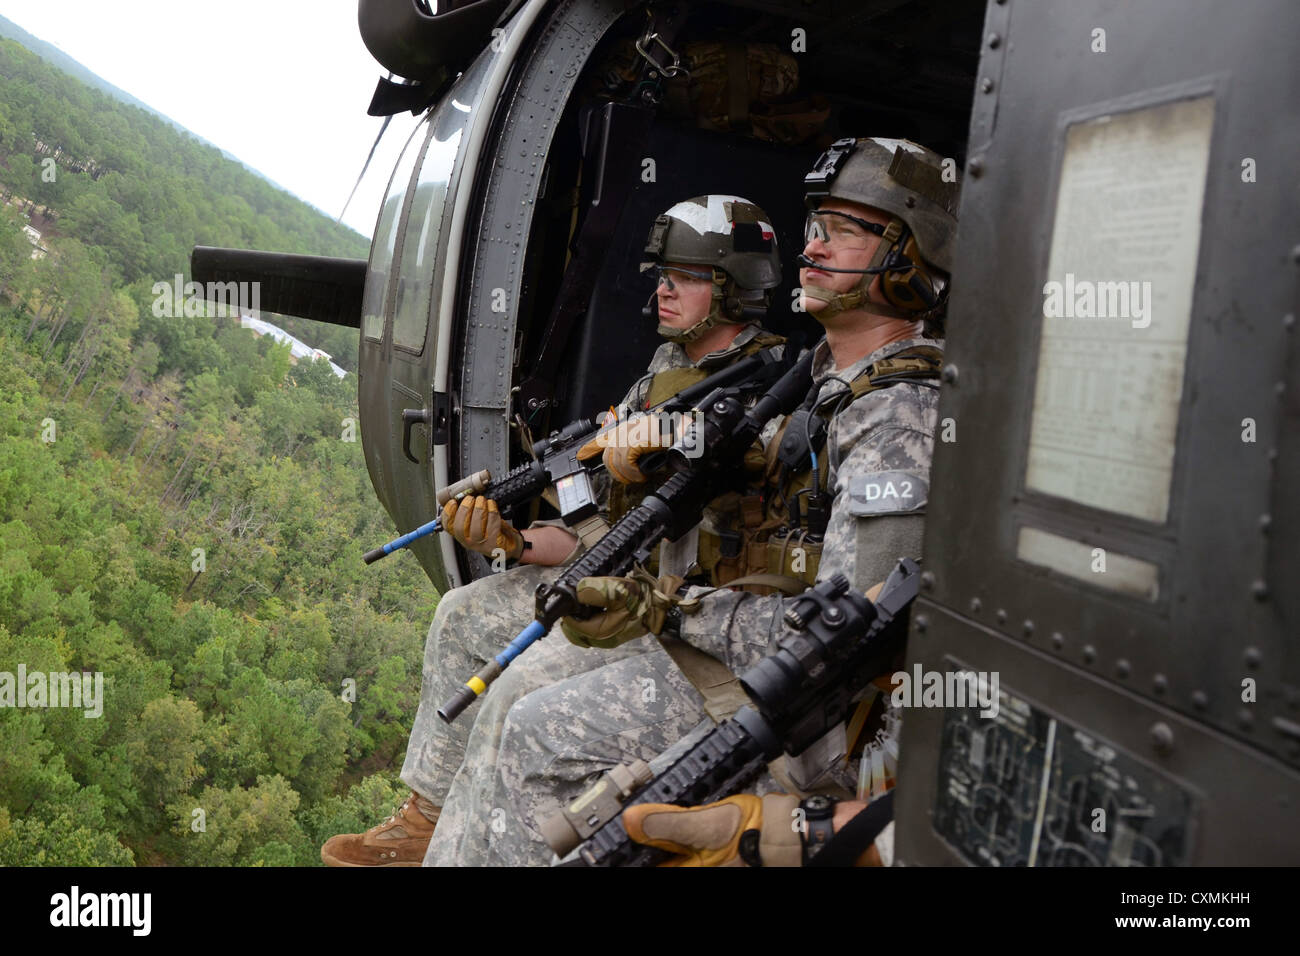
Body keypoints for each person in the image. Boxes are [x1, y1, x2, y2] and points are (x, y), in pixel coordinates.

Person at [461, 137, 958, 867]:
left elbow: (839, 648)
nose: (814, 249)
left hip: (818, 730)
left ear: (912, 257)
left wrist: (665, 609)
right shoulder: (821, 385)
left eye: (847, 230)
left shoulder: (896, 415)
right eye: (816, 226)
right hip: (752, 652)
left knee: (545, 739)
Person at [320, 195, 784, 866]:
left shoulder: (761, 398)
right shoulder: (663, 374)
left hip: (672, 612)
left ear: (733, 290)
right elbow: (593, 529)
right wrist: (507, 542)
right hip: (616, 574)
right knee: (461, 615)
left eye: (682, 276)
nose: (662, 288)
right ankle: (425, 820)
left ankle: (460, 854)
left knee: (515, 689)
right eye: (662, 273)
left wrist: (670, 445)